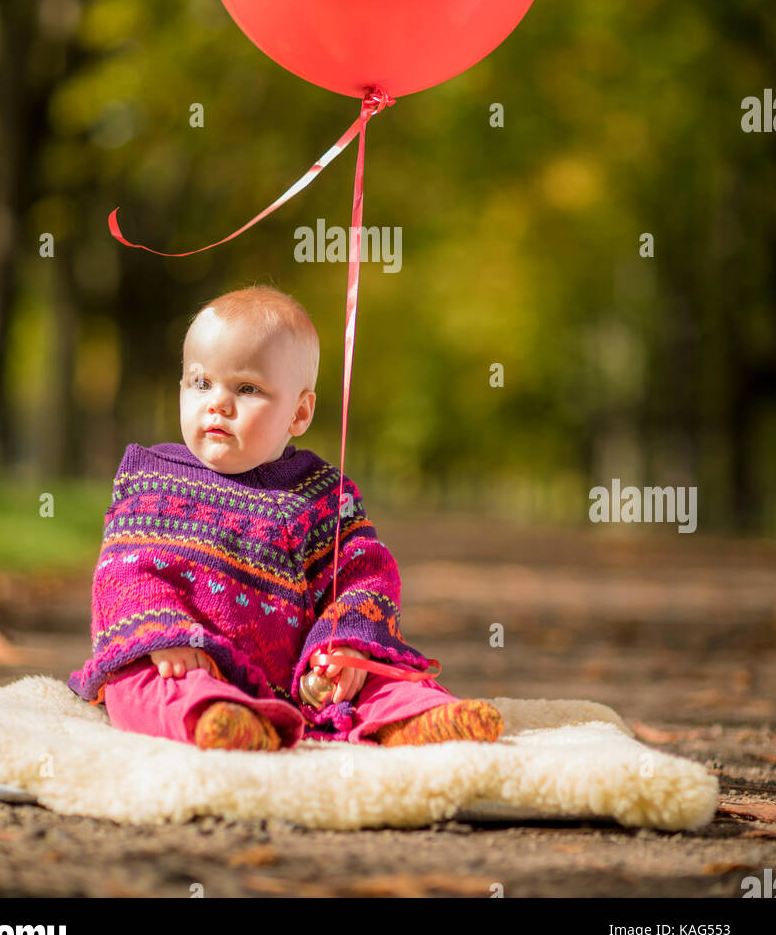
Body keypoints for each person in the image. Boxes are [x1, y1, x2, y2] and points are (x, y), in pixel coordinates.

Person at [68, 285, 504, 752]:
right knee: (140, 685)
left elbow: (360, 574)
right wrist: (160, 634)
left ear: (299, 412)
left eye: (247, 388)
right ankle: (215, 717)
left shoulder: (318, 493)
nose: (217, 402)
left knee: (381, 679)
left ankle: (416, 717)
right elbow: (123, 572)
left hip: (304, 680)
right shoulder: (151, 478)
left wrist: (347, 644)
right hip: (183, 657)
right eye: (200, 383)